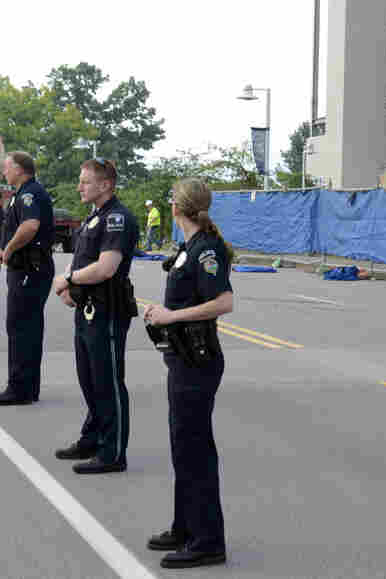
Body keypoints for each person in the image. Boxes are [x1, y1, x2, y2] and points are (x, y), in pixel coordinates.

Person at [142, 178, 233, 569]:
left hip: (198, 360)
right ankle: (186, 526)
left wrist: (172, 315)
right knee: (182, 445)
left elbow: (224, 301)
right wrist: (160, 315)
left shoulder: (207, 249)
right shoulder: (189, 247)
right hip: (181, 357)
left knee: (194, 448)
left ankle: (208, 540)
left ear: (177, 208)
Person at [52, 159, 139, 474]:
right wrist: (68, 285)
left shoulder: (117, 218)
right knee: (89, 379)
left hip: (107, 311)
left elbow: (106, 268)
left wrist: (70, 280)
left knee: (108, 382)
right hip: (87, 307)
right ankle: (92, 438)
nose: (79, 187)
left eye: (85, 182)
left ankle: (113, 453)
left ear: (105, 185)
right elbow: (79, 259)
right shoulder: (95, 216)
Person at [0, 140, 55, 405]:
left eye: (7, 167)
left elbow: (30, 226)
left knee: (20, 326)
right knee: (28, 327)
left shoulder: (29, 194)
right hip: (29, 269)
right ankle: (27, 387)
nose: (4, 171)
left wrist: (8, 250)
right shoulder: (21, 193)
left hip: (28, 269)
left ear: (21, 169)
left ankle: (18, 388)